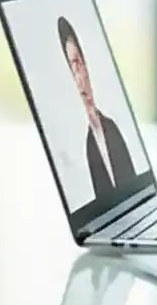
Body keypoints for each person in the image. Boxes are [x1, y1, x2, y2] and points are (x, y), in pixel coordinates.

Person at [58, 16, 136, 198]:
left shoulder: (112, 128)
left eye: (78, 63)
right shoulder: (84, 145)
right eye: (71, 68)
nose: (78, 78)